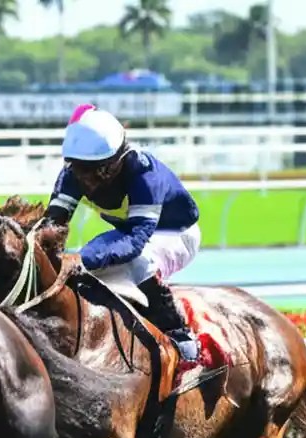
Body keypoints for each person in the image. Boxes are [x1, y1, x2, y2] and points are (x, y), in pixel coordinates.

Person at [42, 104, 203, 364]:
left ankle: (178, 332)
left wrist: (80, 259)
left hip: (176, 234)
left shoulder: (145, 176)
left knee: (138, 261)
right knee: (84, 269)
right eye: (81, 169)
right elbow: (52, 225)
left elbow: (136, 241)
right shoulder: (74, 174)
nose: (88, 180)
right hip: (128, 232)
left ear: (118, 159)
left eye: (98, 170)